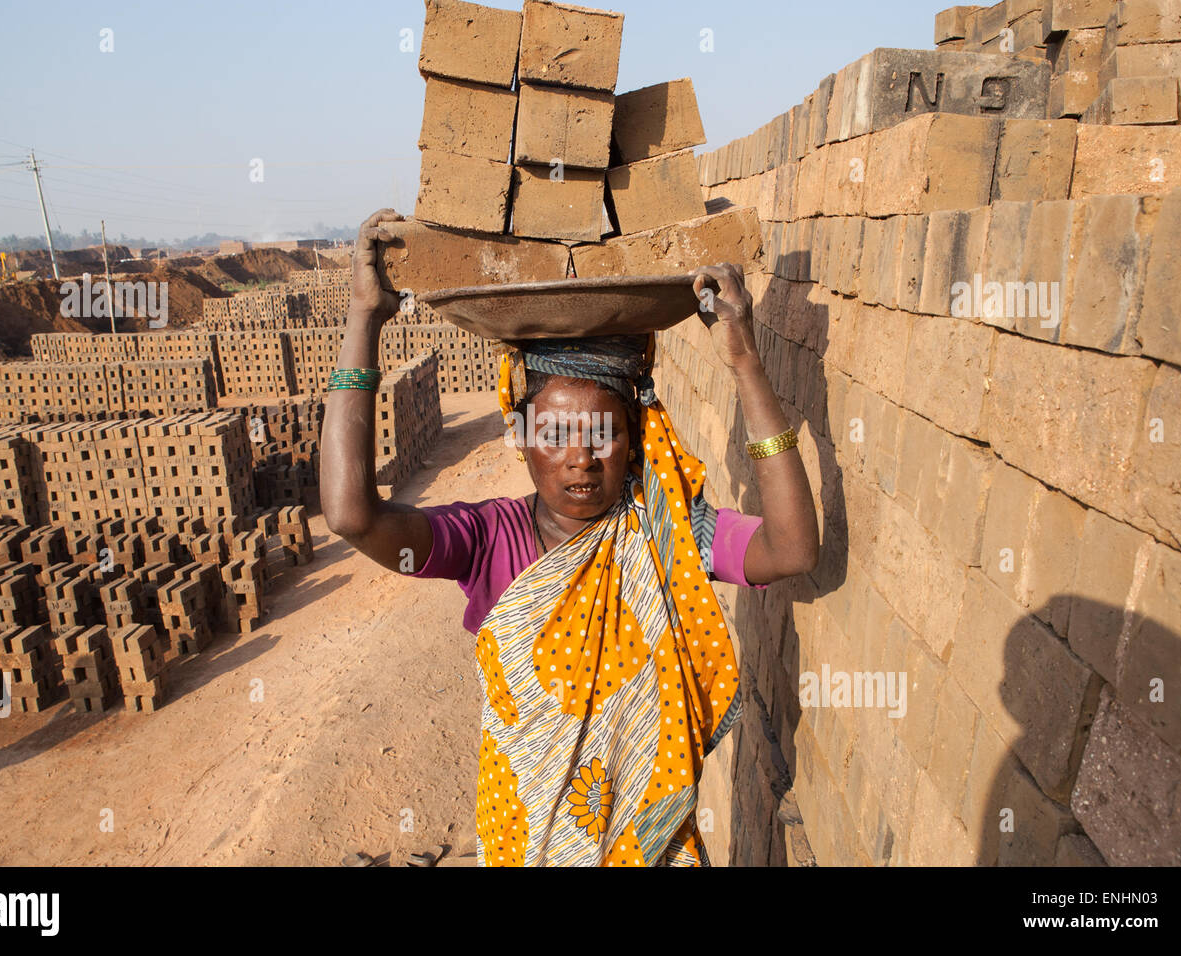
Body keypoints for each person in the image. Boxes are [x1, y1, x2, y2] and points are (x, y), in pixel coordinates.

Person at [321, 209, 820, 867]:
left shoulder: (666, 536)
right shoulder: (486, 540)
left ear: (635, 439)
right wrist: (364, 320)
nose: (580, 458)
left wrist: (745, 364)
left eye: (603, 433)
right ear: (523, 439)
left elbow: (791, 548)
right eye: (554, 435)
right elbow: (351, 515)